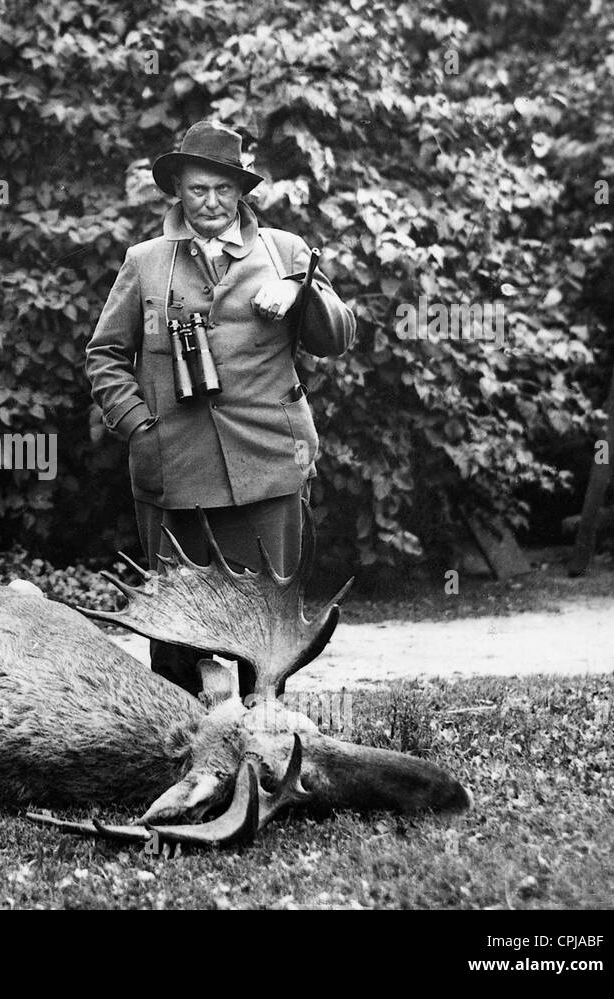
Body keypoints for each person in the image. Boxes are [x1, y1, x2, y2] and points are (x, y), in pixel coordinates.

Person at [86, 121, 356, 697]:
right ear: (178, 191)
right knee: (177, 625)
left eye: (223, 190)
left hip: (268, 462)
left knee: (268, 624)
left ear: (241, 193)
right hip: (173, 467)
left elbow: (337, 338)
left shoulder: (286, 251)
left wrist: (302, 290)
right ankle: (180, 746)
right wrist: (138, 425)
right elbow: (105, 354)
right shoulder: (146, 261)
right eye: (198, 189)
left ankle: (267, 736)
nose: (211, 202)